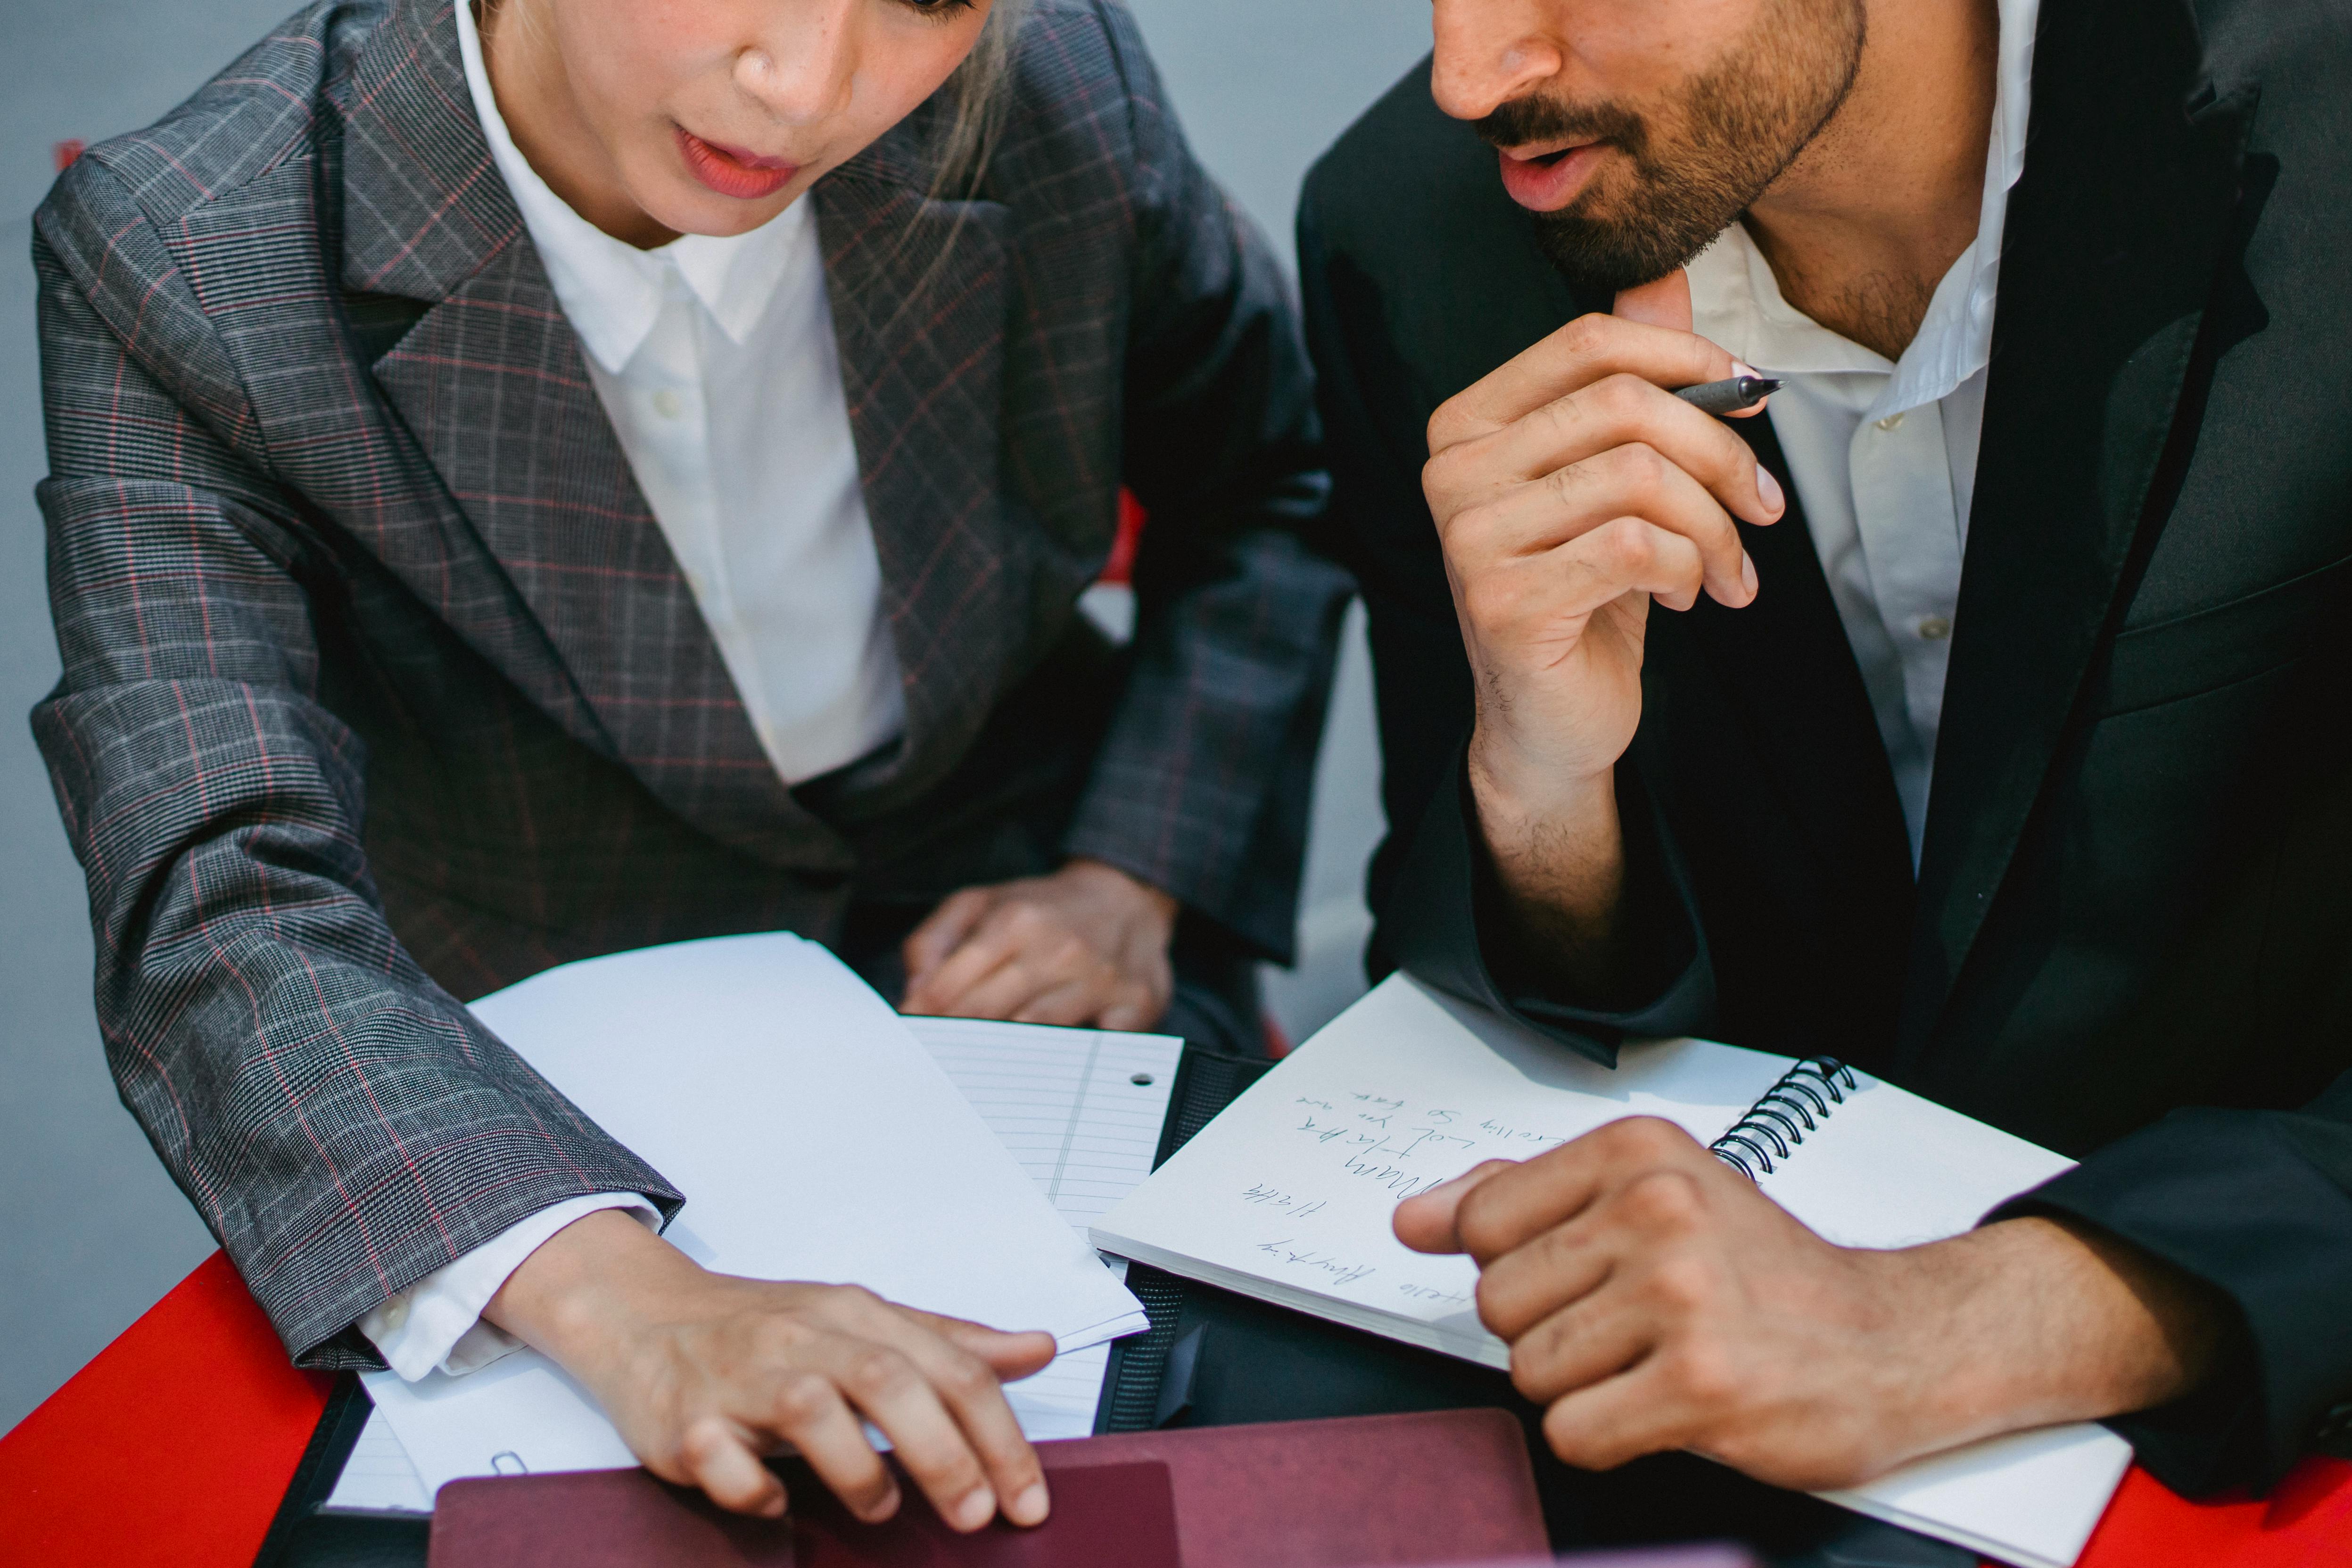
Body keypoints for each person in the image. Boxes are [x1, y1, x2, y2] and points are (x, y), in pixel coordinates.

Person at [32, 0, 1347, 1530]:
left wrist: (1134, 873)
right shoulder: (189, 251)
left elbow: (1271, 475)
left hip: (1032, 900)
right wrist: (620, 1300)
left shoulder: (1049, 78)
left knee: (1271, 1472)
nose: (803, 88)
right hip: (544, 1058)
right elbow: (217, 888)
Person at [1297, 0, 2352, 1522]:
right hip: (1721, 1460)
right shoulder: (1414, 228)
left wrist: (1975, 1322)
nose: (1472, 73)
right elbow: (1480, 970)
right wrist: (1542, 790)